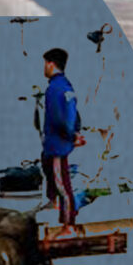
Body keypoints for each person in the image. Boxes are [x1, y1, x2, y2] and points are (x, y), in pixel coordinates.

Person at [41, 47, 84, 227]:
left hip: (57, 146)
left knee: (63, 187)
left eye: (45, 64)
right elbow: (74, 113)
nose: (44, 67)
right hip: (57, 144)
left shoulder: (53, 89)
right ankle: (56, 218)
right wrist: (76, 132)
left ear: (51, 64)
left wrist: (71, 135)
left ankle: (68, 225)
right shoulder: (67, 86)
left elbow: (59, 118)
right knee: (54, 183)